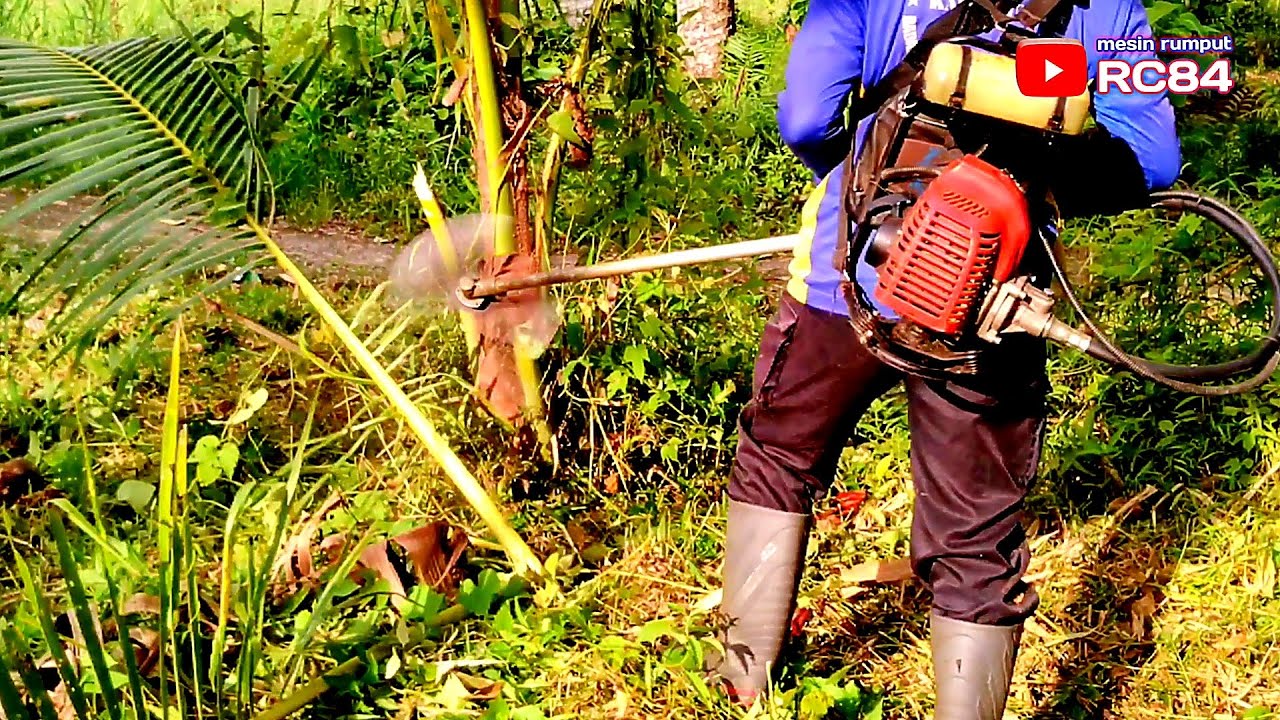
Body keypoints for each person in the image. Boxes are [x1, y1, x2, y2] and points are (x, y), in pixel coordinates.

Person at [707, 0, 1181, 717]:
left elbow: (805, 116)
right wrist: (1029, 189)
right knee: (976, 534)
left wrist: (861, 184)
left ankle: (737, 685)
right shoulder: (1106, 6)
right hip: (995, 299)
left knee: (780, 456)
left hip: (847, 276)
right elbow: (1152, 158)